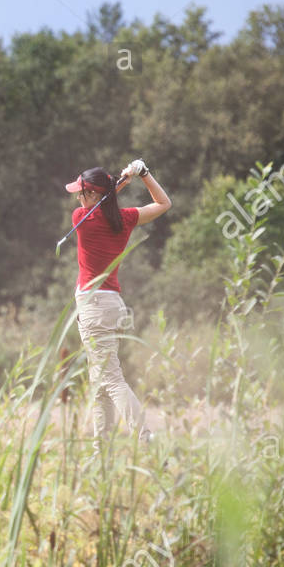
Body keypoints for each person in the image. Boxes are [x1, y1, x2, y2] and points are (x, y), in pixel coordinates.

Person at [64, 159, 172, 449]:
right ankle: (102, 454)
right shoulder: (124, 219)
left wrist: (121, 181)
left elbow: (106, 199)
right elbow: (163, 203)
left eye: (82, 193)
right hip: (112, 305)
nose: (78, 198)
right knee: (99, 384)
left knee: (110, 380)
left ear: (95, 196)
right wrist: (144, 174)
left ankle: (145, 438)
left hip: (93, 307)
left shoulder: (80, 218)